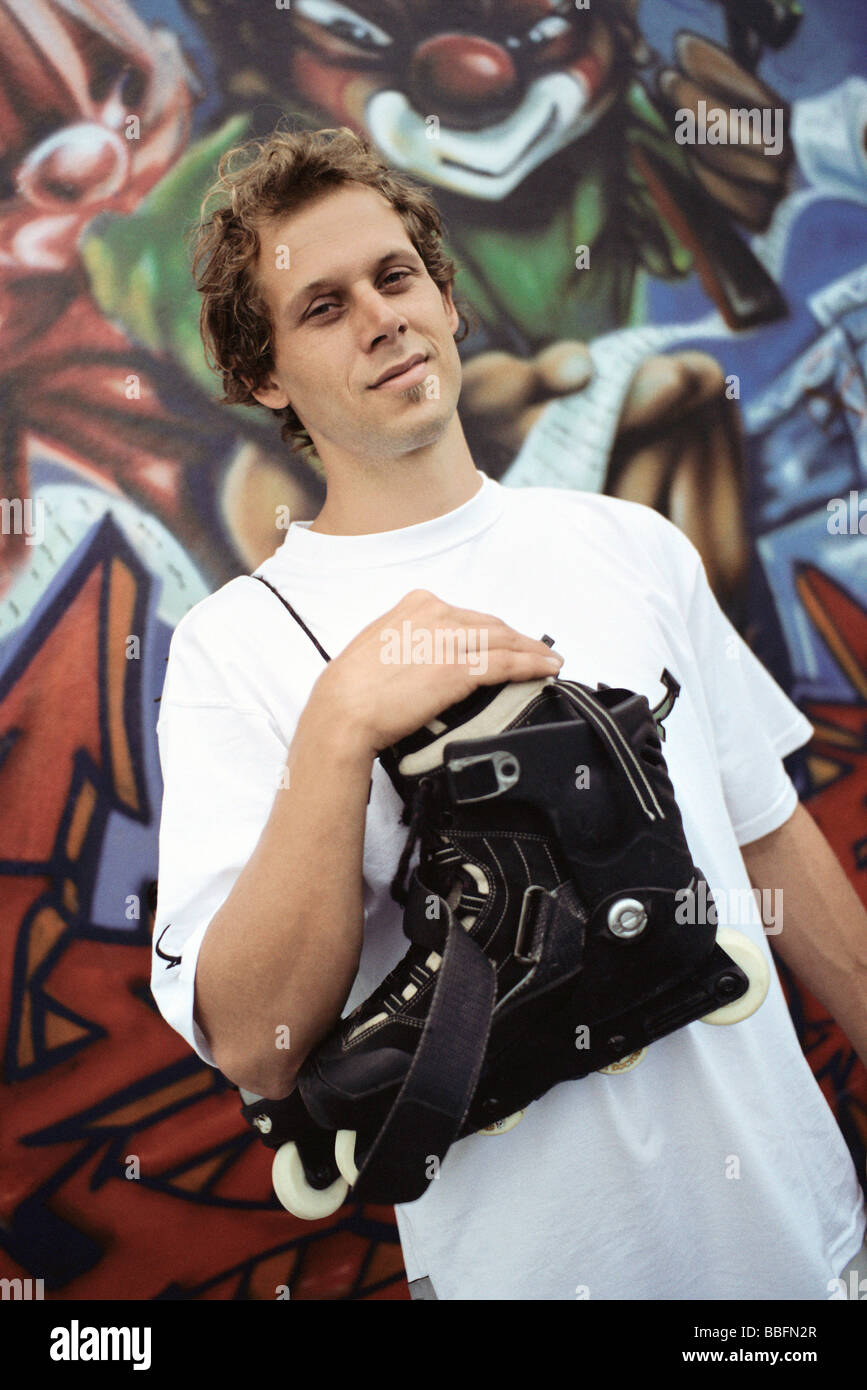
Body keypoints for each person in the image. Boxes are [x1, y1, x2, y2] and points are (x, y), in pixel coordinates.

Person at [151, 126, 867, 1301]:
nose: (381, 316)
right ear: (265, 373)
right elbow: (254, 1040)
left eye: (395, 276)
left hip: (800, 1248)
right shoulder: (239, 647)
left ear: (444, 293)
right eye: (321, 306)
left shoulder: (628, 544)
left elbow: (769, 834)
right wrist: (339, 730)